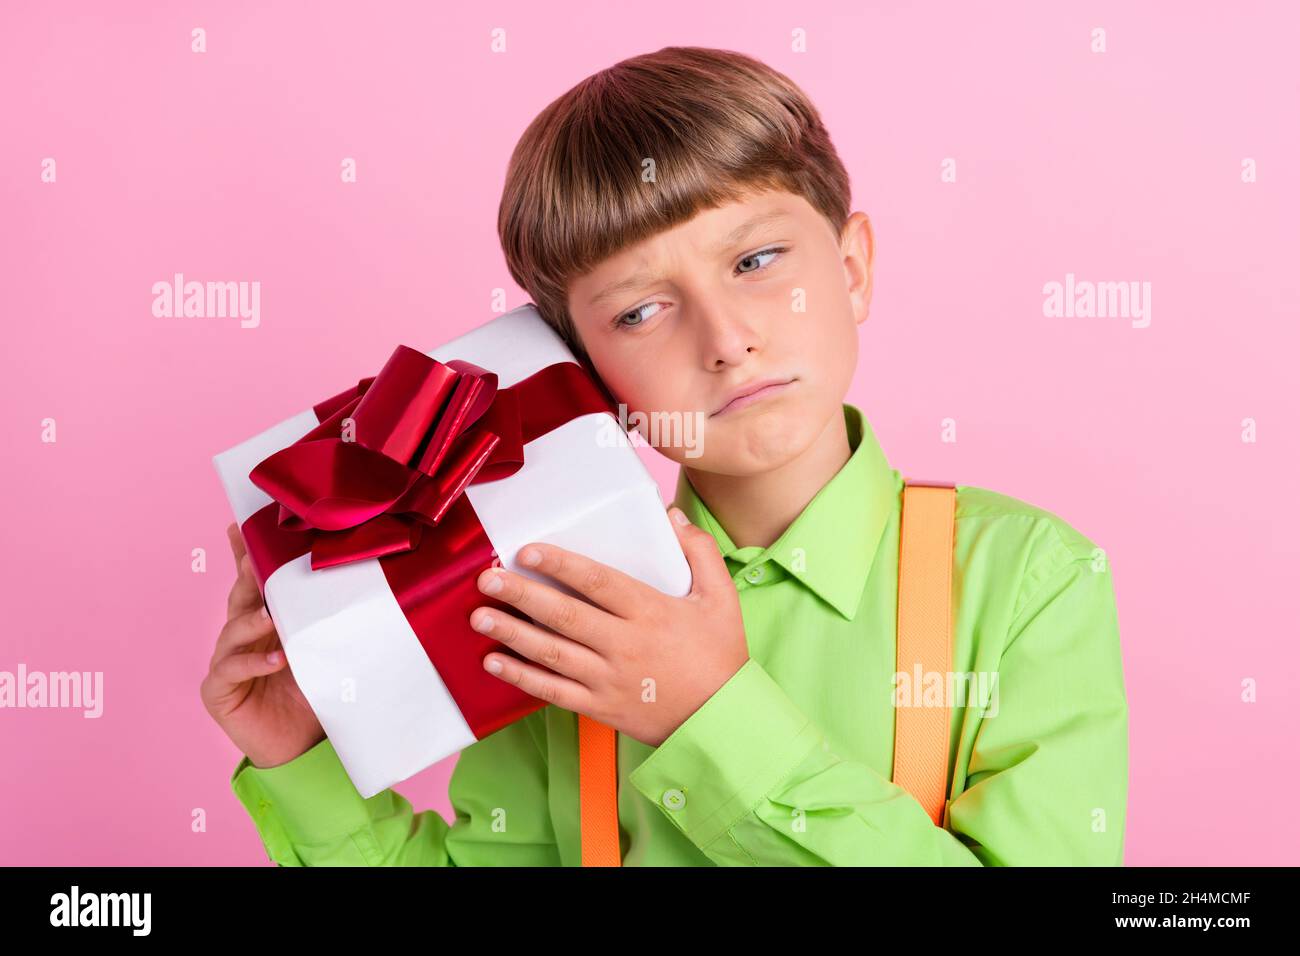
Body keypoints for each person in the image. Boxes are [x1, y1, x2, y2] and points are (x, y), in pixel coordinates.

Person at [201, 46, 1129, 866]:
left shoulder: (1031, 581)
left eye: (757, 259)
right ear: (583, 370)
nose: (726, 341)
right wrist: (302, 764)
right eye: (640, 311)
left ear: (851, 269)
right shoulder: (552, 602)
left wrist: (709, 715)